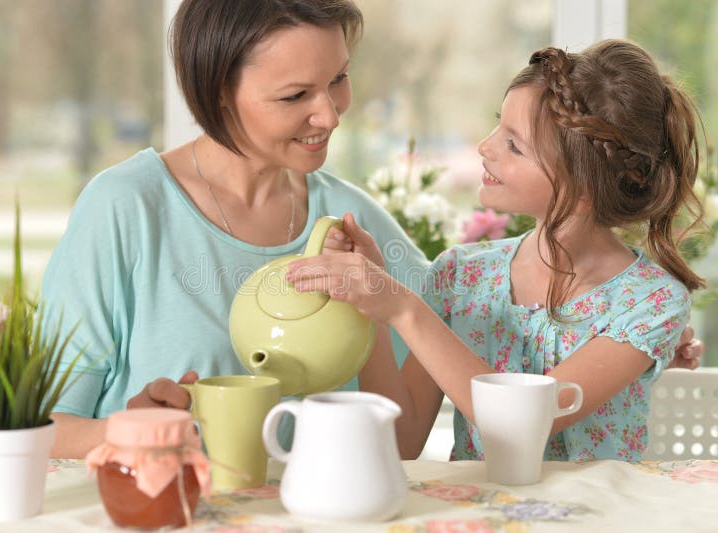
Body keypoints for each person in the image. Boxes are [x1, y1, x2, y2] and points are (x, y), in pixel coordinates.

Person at [41, 0, 428, 458]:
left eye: (338, 80)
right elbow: (40, 431)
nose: (329, 115)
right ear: (218, 90)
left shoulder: (354, 221)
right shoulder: (126, 209)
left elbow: (404, 442)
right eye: (294, 96)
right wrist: (132, 431)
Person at [288, 39, 707, 462]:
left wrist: (402, 308)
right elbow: (402, 442)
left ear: (583, 186)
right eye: (497, 126)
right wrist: (371, 311)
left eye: (514, 145)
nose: (485, 147)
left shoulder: (649, 302)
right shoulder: (459, 276)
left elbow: (522, 424)